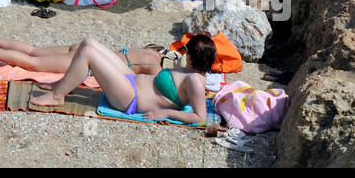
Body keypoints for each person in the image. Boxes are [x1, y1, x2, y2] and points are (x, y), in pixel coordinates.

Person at [28, 33, 216, 123]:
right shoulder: (189, 71)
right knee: (88, 42)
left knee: (87, 54)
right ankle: (63, 85)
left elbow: (199, 117)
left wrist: (167, 113)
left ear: (191, 56)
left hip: (130, 98)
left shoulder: (195, 81)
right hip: (132, 81)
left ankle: (57, 96)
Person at [0, 34, 168, 75]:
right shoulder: (156, 70)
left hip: (85, 46)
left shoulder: (153, 50)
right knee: (32, 63)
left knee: (33, 50)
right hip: (85, 61)